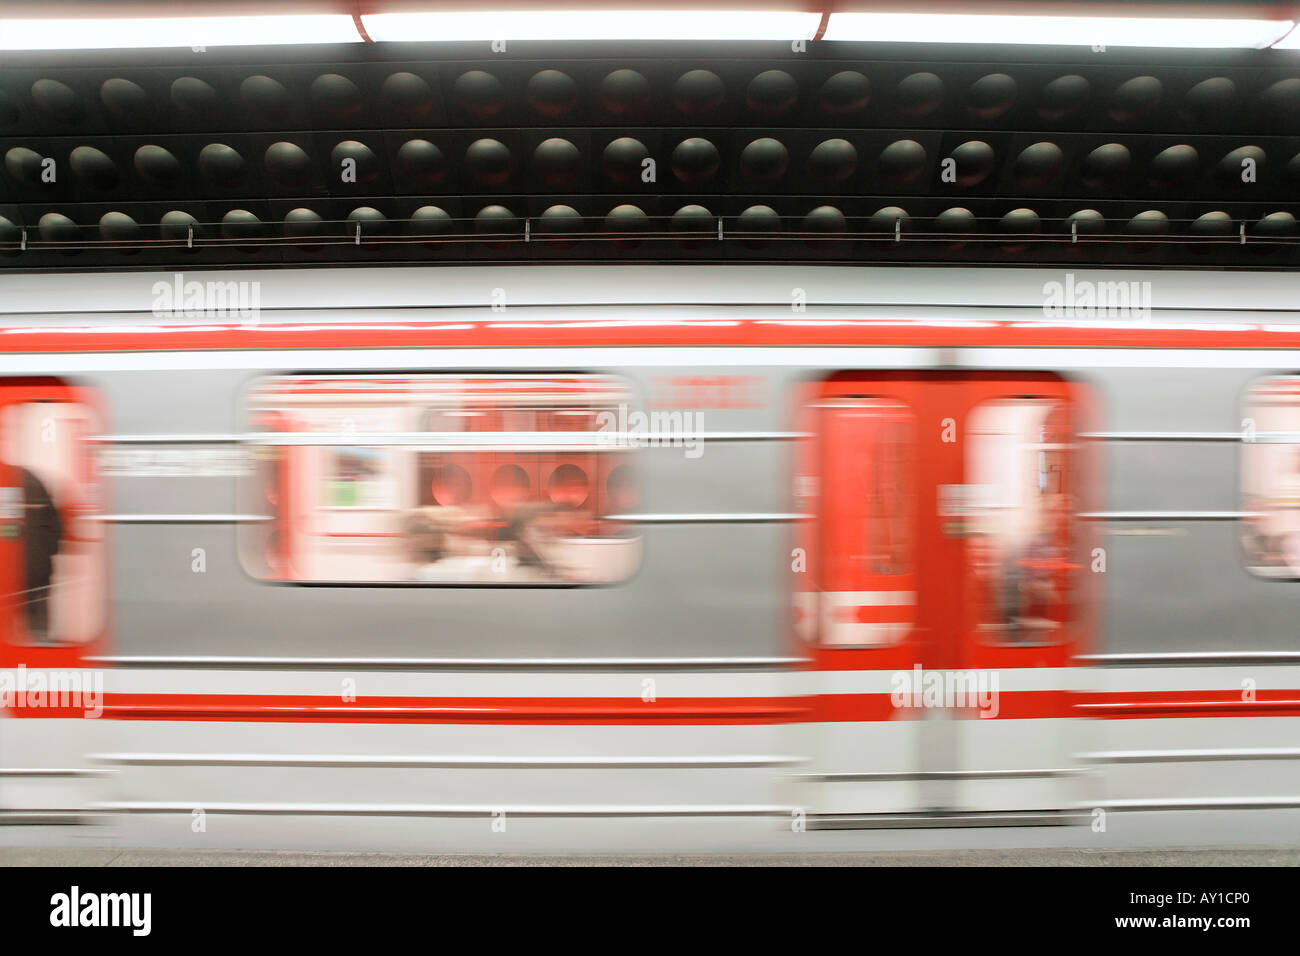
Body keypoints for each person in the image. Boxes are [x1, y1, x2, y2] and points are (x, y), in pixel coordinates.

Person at [19, 466, 63, 644]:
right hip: (38, 567)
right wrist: (46, 552)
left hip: (23, 567)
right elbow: (56, 526)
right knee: (37, 619)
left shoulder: (23, 477)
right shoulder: (30, 477)